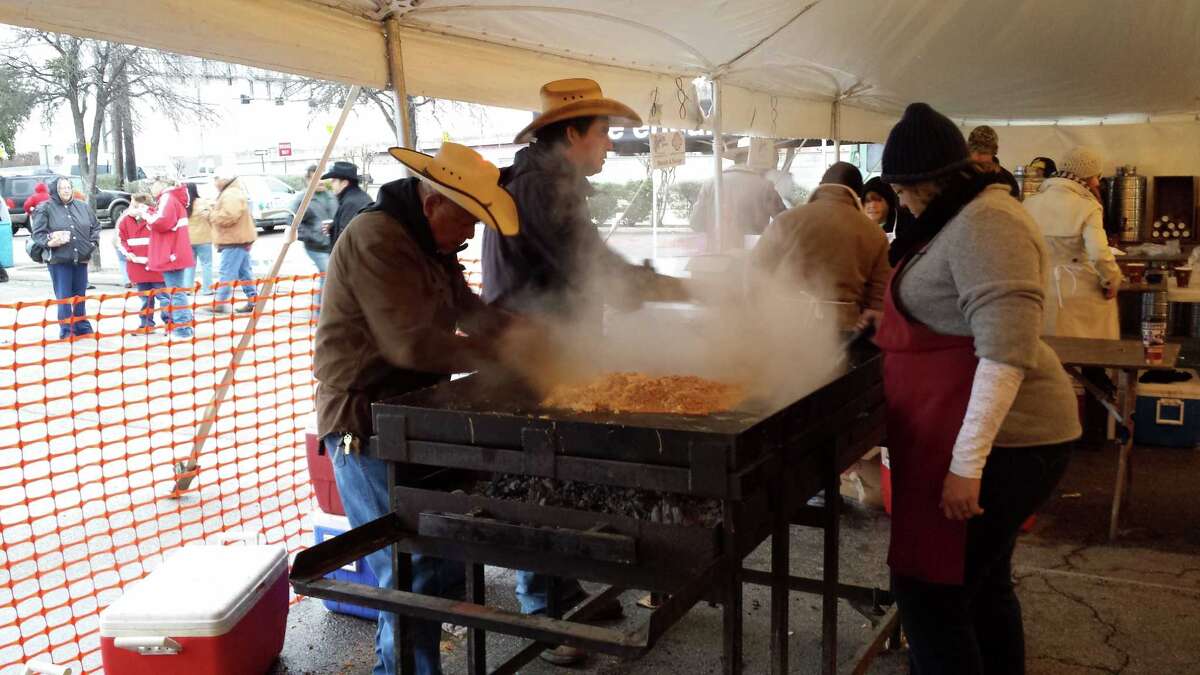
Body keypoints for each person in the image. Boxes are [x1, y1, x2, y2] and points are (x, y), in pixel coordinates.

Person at [483, 77, 683, 666]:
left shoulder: (550, 182)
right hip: (535, 351)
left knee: (562, 475)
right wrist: (669, 288)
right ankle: (546, 615)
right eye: (604, 135)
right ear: (572, 133)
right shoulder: (538, 187)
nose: (610, 147)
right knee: (543, 478)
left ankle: (565, 594)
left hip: (556, 344)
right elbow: (586, 264)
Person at [874, 102, 1081, 675]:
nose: (903, 202)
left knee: (932, 598)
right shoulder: (960, 217)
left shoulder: (987, 223)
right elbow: (948, 314)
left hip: (1007, 443)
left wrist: (967, 465)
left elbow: (1004, 351)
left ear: (929, 181)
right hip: (978, 433)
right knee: (984, 588)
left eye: (903, 189)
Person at [315, 142, 519, 675]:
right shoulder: (377, 237)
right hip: (365, 425)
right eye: (468, 218)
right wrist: (504, 359)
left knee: (426, 560)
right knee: (408, 571)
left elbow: (468, 310)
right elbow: (412, 344)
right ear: (432, 203)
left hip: (414, 417)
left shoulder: (432, 242)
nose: (472, 233)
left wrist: (528, 340)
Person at [750, 162, 891, 330]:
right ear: (858, 194)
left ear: (820, 186)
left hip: (786, 329)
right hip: (846, 332)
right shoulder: (874, 233)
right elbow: (878, 296)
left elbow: (755, 274)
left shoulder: (786, 221)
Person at [1023, 146, 1120, 339]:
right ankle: (1094, 370)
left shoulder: (1029, 203)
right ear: (1089, 177)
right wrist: (1111, 281)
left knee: (1046, 354)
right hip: (1080, 293)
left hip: (1038, 290)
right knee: (1092, 354)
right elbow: (1099, 254)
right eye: (1096, 176)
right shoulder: (1088, 206)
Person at [31, 176, 100, 339]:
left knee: (79, 295)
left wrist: (92, 244)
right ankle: (67, 330)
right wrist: (50, 241)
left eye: (68, 187)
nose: (66, 190)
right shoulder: (45, 208)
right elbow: (38, 234)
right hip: (59, 260)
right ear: (55, 190)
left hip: (81, 258)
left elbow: (96, 226)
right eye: (62, 188)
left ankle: (82, 326)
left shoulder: (82, 206)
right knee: (64, 296)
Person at [690, 138, 787, 250]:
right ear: (757, 159)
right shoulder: (765, 186)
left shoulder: (710, 183)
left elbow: (695, 223)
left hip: (717, 253)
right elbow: (785, 221)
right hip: (751, 254)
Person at [134, 179, 195, 339]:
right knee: (177, 291)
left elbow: (161, 222)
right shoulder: (172, 198)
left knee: (175, 292)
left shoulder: (168, 198)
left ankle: (182, 330)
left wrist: (144, 213)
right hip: (175, 251)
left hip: (171, 253)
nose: (151, 188)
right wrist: (149, 210)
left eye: (152, 184)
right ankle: (185, 326)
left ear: (161, 183)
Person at [206, 166, 258, 314]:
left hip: (234, 239)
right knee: (244, 273)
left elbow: (229, 216)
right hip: (239, 238)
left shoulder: (230, 194)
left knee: (226, 273)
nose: (215, 182)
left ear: (224, 179)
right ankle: (253, 300)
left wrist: (211, 215)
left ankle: (220, 303)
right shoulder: (233, 192)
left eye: (216, 179)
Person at [116, 193, 169, 335]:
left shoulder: (154, 218)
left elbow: (163, 236)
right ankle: (146, 324)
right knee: (145, 298)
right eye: (133, 203)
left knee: (163, 297)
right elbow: (121, 240)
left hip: (156, 266)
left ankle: (170, 323)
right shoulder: (125, 220)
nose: (134, 207)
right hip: (137, 266)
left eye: (137, 204)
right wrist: (128, 253)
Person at [292, 164, 336, 315]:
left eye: (323, 178)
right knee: (327, 272)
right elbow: (292, 221)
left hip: (332, 243)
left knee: (332, 275)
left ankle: (331, 308)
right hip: (315, 246)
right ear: (309, 180)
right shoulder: (302, 199)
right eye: (316, 178)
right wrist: (310, 235)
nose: (321, 181)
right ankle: (321, 311)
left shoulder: (332, 195)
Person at [323, 161, 372, 249]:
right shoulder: (354, 197)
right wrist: (333, 227)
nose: (331, 184)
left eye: (334, 181)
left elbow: (345, 240)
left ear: (344, 183)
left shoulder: (352, 203)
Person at [967, 125, 1021, 199]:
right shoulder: (958, 175)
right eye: (974, 150)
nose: (978, 157)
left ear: (994, 151)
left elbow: (1014, 207)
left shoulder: (1007, 180)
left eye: (983, 152)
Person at [184, 182, 215, 296]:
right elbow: (211, 217)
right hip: (204, 239)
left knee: (190, 265)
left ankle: (187, 289)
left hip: (188, 239)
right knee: (207, 264)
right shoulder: (202, 202)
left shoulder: (183, 204)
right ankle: (207, 289)